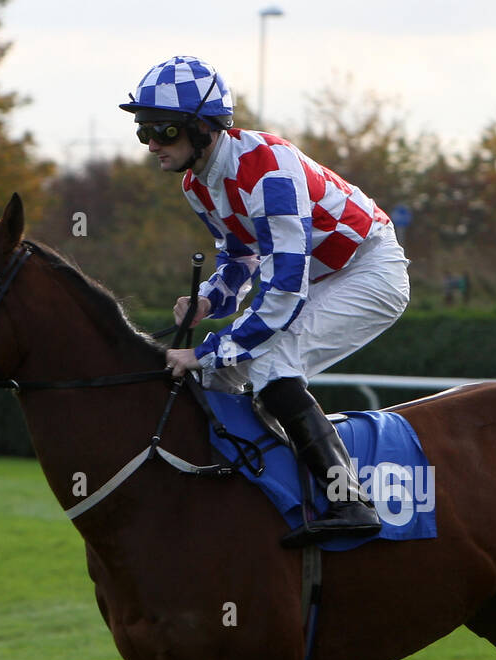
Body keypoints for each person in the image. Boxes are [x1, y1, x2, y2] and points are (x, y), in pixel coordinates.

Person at [119, 56, 410, 546]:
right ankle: (247, 490)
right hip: (319, 276)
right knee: (219, 375)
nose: (152, 145)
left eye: (163, 130)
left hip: (369, 270)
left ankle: (350, 502)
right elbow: (239, 257)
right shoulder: (197, 184)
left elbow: (284, 289)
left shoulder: (268, 170)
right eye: (143, 130)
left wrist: (205, 348)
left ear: (204, 128)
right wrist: (207, 302)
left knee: (270, 365)